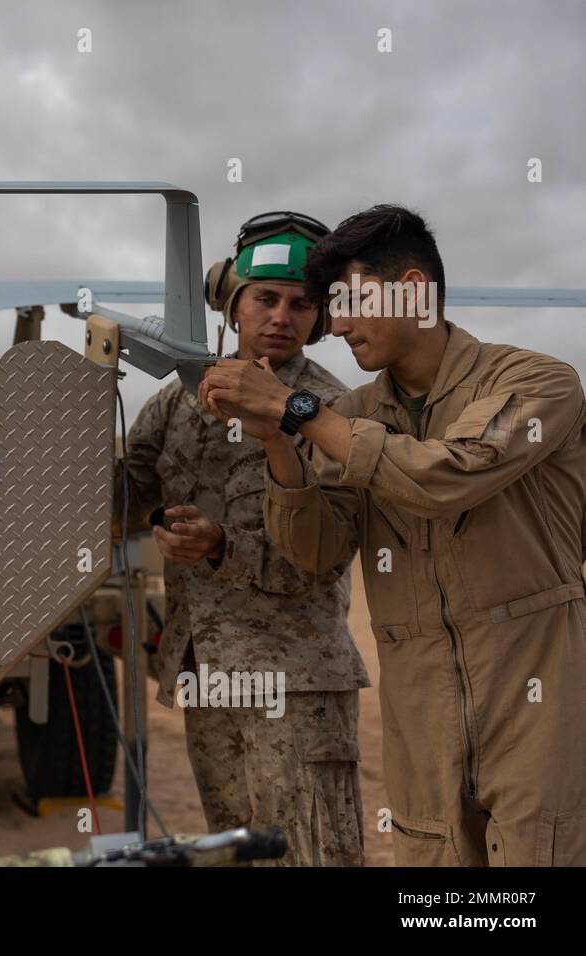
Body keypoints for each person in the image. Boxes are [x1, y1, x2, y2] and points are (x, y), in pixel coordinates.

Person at [201, 204, 586, 866]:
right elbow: (317, 550)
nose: (337, 323)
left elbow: (450, 476)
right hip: (421, 712)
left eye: (348, 300)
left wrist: (294, 411)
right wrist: (278, 445)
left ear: (412, 290)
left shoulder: (535, 381)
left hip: (535, 697)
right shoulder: (350, 414)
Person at [121, 212, 369, 865]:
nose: (282, 317)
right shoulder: (178, 400)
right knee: (236, 852)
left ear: (319, 318)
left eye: (301, 305)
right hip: (207, 674)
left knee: (313, 855)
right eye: (266, 299)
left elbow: (321, 561)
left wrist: (219, 546)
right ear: (234, 307)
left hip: (296, 684)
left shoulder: (331, 413)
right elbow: (124, 498)